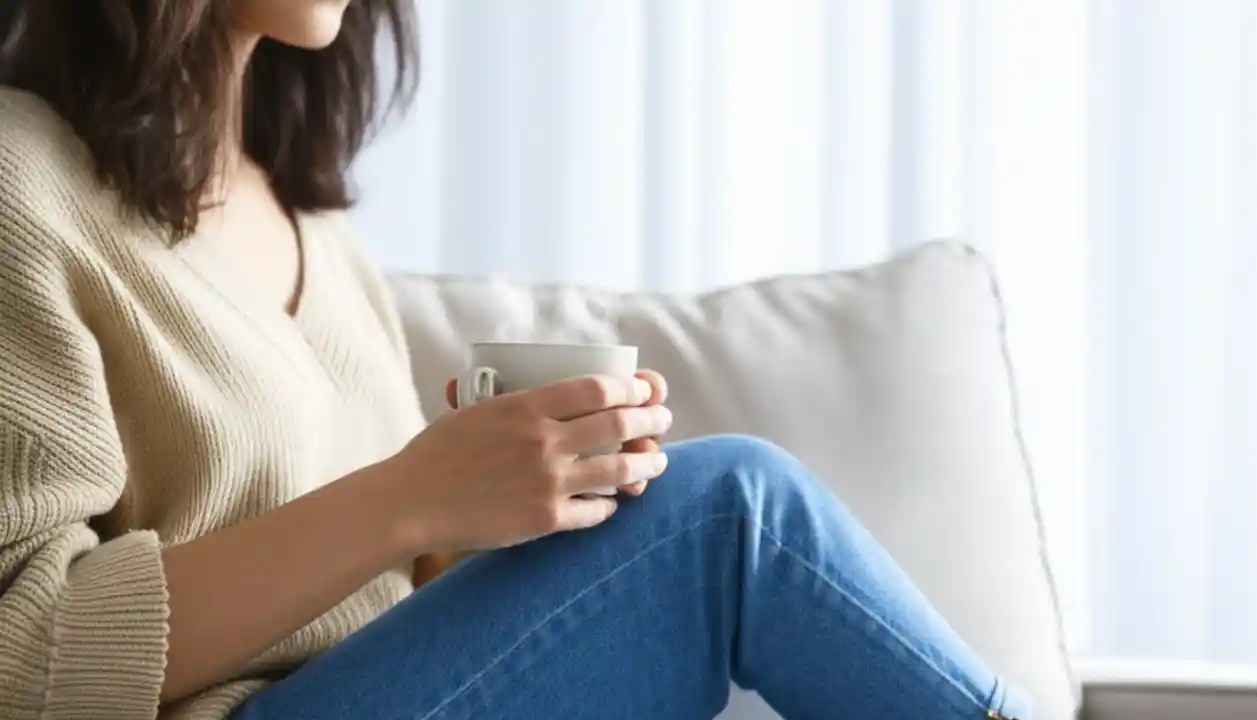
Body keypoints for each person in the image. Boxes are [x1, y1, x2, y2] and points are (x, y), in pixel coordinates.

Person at [0, 2, 1029, 718]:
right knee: (732, 517)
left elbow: (384, 590)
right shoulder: (23, 180)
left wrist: (501, 521)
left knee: (682, 515)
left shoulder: (320, 238)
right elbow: (23, 658)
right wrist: (409, 495)